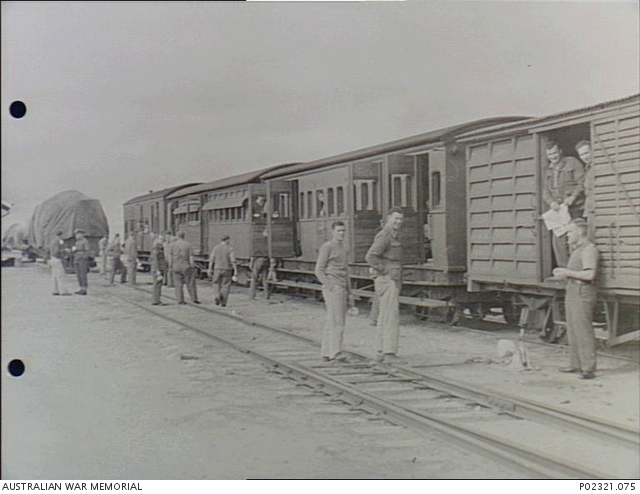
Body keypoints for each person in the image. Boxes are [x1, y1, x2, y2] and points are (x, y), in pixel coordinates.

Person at [552, 217, 599, 380]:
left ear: (580, 232)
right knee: (572, 329)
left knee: (583, 330)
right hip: (573, 289)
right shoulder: (577, 249)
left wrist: (567, 273)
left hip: (582, 291)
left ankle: (588, 368)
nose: (567, 236)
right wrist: (564, 273)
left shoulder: (588, 249)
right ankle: (575, 364)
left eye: (570, 232)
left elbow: (590, 273)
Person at [365, 207, 404, 363]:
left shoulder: (393, 235)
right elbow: (370, 256)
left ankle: (381, 351)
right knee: (391, 316)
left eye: (401, 219)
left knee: (383, 316)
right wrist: (384, 271)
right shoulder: (385, 236)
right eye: (395, 219)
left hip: (390, 278)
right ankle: (389, 353)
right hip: (388, 279)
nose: (398, 222)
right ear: (388, 219)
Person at [542, 141, 586, 268]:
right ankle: (564, 269)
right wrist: (551, 203)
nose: (553, 156)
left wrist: (573, 197)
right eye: (549, 154)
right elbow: (545, 191)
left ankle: (577, 268)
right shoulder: (549, 170)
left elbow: (582, 182)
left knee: (575, 238)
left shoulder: (572, 162)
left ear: (560, 151)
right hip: (559, 211)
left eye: (555, 153)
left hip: (575, 208)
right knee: (558, 240)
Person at [314, 221, 353, 362]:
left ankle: (326, 352)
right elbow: (318, 270)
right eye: (339, 231)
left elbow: (346, 271)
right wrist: (329, 285)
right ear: (332, 232)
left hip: (341, 286)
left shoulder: (343, 248)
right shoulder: (327, 247)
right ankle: (335, 352)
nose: (341, 233)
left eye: (343, 231)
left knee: (332, 319)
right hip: (334, 287)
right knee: (338, 321)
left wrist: (350, 292)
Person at [207, 235, 238, 307]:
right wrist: (235, 270)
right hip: (227, 269)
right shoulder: (230, 249)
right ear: (227, 240)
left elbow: (211, 259)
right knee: (226, 285)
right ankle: (223, 302)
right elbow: (233, 260)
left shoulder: (216, 248)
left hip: (217, 269)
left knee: (216, 283)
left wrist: (209, 269)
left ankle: (217, 295)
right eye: (228, 240)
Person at [172, 231, 200, 305]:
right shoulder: (188, 245)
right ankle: (194, 298)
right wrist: (192, 265)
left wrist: (171, 265)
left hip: (176, 266)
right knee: (190, 283)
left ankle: (180, 300)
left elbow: (170, 256)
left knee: (178, 285)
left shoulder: (173, 245)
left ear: (177, 236)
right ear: (184, 236)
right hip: (186, 265)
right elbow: (191, 256)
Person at [49, 231, 71, 296]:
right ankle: (63, 291)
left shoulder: (52, 241)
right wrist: (65, 250)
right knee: (61, 275)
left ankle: (55, 290)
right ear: (61, 235)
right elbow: (57, 251)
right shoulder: (59, 241)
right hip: (58, 259)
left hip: (52, 258)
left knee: (54, 276)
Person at [575, 140, 593, 218]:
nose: (584, 157)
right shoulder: (587, 169)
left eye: (586, 153)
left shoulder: (597, 167)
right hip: (590, 208)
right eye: (581, 155)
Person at [150, 235, 167, 306]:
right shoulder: (156, 250)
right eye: (162, 240)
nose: (163, 242)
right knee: (157, 285)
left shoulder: (159, 249)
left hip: (159, 269)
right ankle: (156, 300)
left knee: (158, 285)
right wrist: (158, 271)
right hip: (157, 270)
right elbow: (155, 261)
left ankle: (156, 300)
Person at [72, 228, 90, 295]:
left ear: (81, 234)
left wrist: (84, 258)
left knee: (83, 274)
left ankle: (84, 288)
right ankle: (80, 287)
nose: (76, 236)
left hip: (82, 259)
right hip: (76, 258)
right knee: (78, 274)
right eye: (76, 234)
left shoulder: (85, 241)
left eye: (77, 234)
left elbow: (87, 250)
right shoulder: (77, 242)